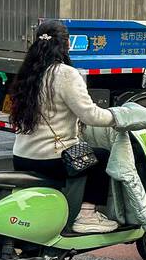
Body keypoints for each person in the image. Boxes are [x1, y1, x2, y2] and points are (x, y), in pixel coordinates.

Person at [9, 19, 119, 233]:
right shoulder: (66, 74)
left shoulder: (27, 73)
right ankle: (86, 216)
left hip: (21, 158)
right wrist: (116, 117)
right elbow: (90, 115)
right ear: (66, 44)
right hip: (52, 160)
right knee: (103, 156)